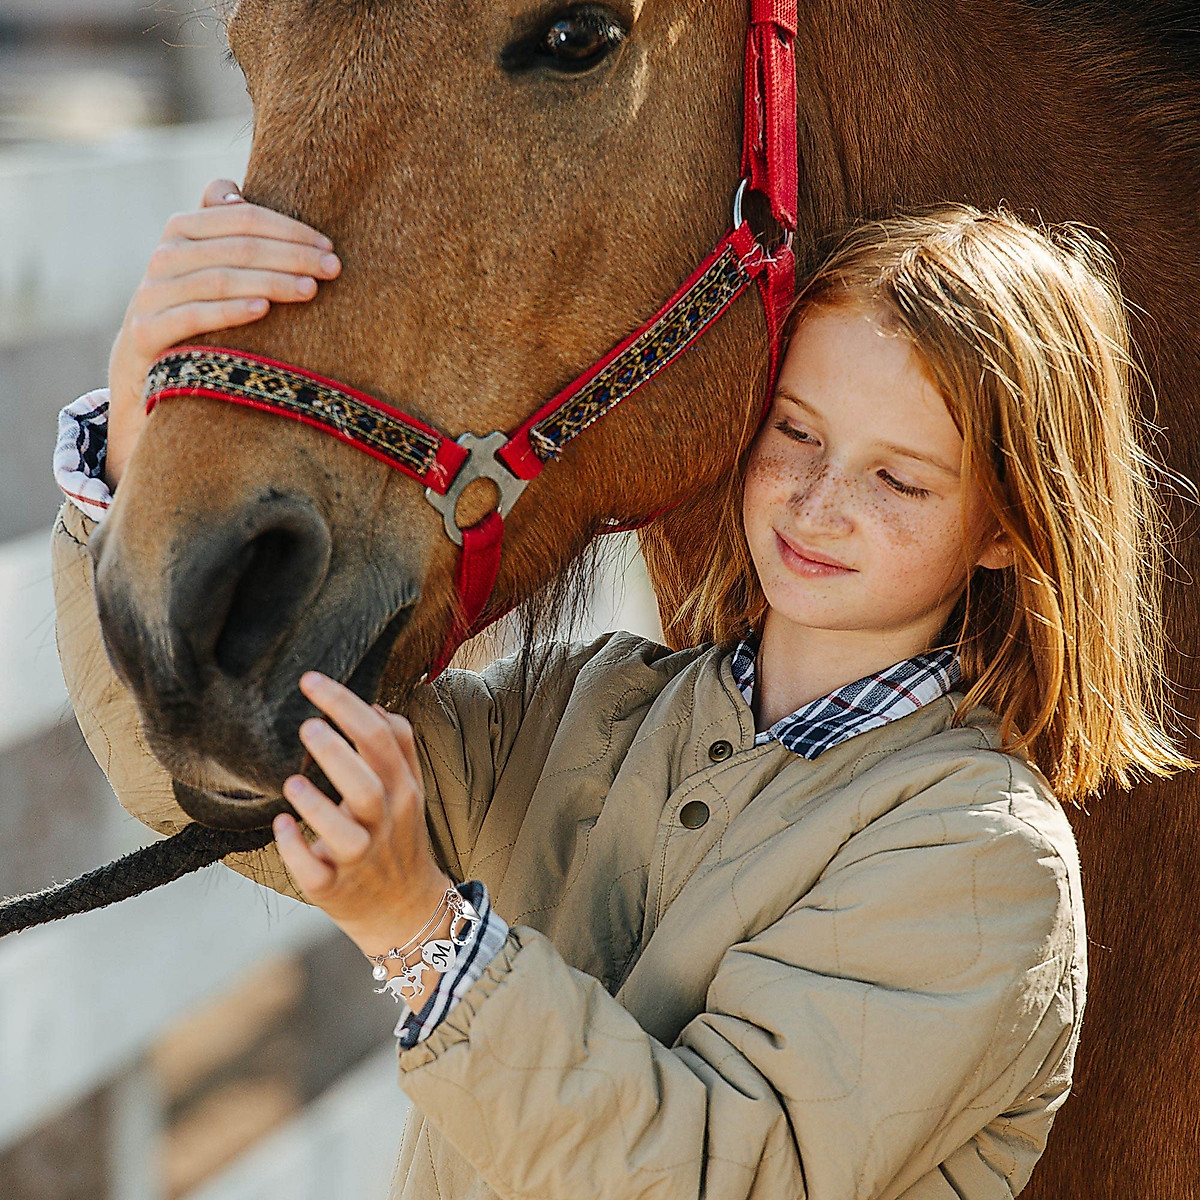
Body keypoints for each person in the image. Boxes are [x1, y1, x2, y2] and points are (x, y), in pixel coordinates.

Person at [50, 180, 1191, 1199]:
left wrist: (418, 927)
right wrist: (143, 441)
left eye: (899, 477)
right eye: (796, 430)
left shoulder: (978, 862)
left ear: (1006, 526)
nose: (820, 499)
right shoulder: (580, 708)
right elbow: (224, 764)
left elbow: (707, 1178)